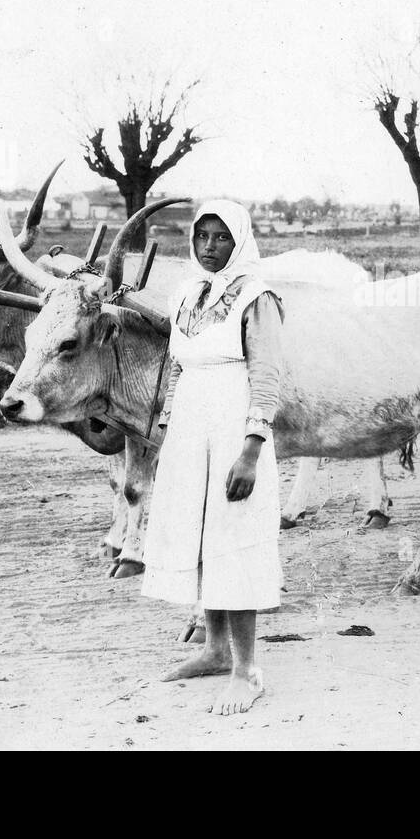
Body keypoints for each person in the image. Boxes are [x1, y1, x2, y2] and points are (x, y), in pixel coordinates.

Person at [143, 199, 285, 716]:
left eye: (220, 237)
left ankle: (247, 670)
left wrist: (251, 449)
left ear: (239, 241)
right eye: (201, 236)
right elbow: (178, 368)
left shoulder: (257, 295)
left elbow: (267, 376)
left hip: (234, 430)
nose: (209, 246)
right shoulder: (186, 294)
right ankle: (215, 649)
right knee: (201, 534)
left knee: (235, 538)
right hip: (190, 432)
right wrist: (168, 429)